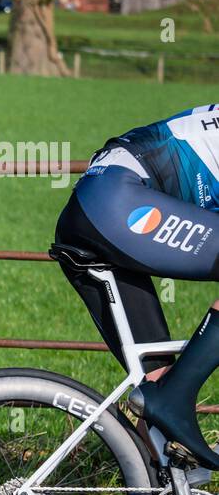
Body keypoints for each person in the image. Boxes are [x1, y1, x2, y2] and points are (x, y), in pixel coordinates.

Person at [54, 104, 219, 467]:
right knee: (169, 398)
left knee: (156, 386)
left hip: (101, 207)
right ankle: (174, 396)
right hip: (116, 202)